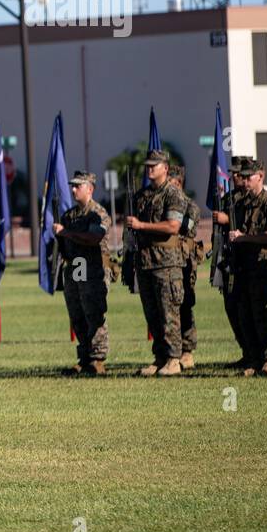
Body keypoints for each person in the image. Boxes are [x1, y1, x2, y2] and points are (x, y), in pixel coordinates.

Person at [126, 150, 190, 376]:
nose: (149, 168)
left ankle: (174, 359)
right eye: (148, 165)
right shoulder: (141, 196)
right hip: (145, 263)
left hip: (167, 265)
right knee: (152, 315)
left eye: (154, 165)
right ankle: (160, 356)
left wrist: (141, 226)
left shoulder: (173, 194)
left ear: (165, 167)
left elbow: (173, 226)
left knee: (169, 314)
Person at [53, 171, 113, 375]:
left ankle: (97, 358)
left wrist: (66, 232)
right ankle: (85, 355)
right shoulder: (69, 216)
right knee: (77, 312)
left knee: (94, 311)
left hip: (94, 268)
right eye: (73, 185)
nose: (73, 189)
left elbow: (93, 238)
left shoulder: (98, 213)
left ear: (90, 188)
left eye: (78, 186)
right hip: (76, 267)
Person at [226, 157, 267, 377]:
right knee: (245, 313)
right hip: (243, 266)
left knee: (263, 313)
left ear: (261, 176)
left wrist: (243, 238)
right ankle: (253, 358)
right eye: (244, 177)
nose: (245, 181)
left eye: (250, 177)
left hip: (262, 266)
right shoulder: (242, 203)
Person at [213, 156, 254, 367]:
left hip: (248, 262)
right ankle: (246, 353)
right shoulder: (228, 197)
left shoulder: (252, 199)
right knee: (232, 308)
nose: (235, 177)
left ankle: (257, 356)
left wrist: (226, 219)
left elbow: (248, 224)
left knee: (249, 310)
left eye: (240, 173)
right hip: (231, 261)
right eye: (234, 173)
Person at [168, 165, 202, 369]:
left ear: (178, 183)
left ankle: (187, 350)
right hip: (166, 261)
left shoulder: (190, 207)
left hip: (184, 261)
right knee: (169, 307)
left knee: (185, 304)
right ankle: (171, 350)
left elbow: (184, 229)